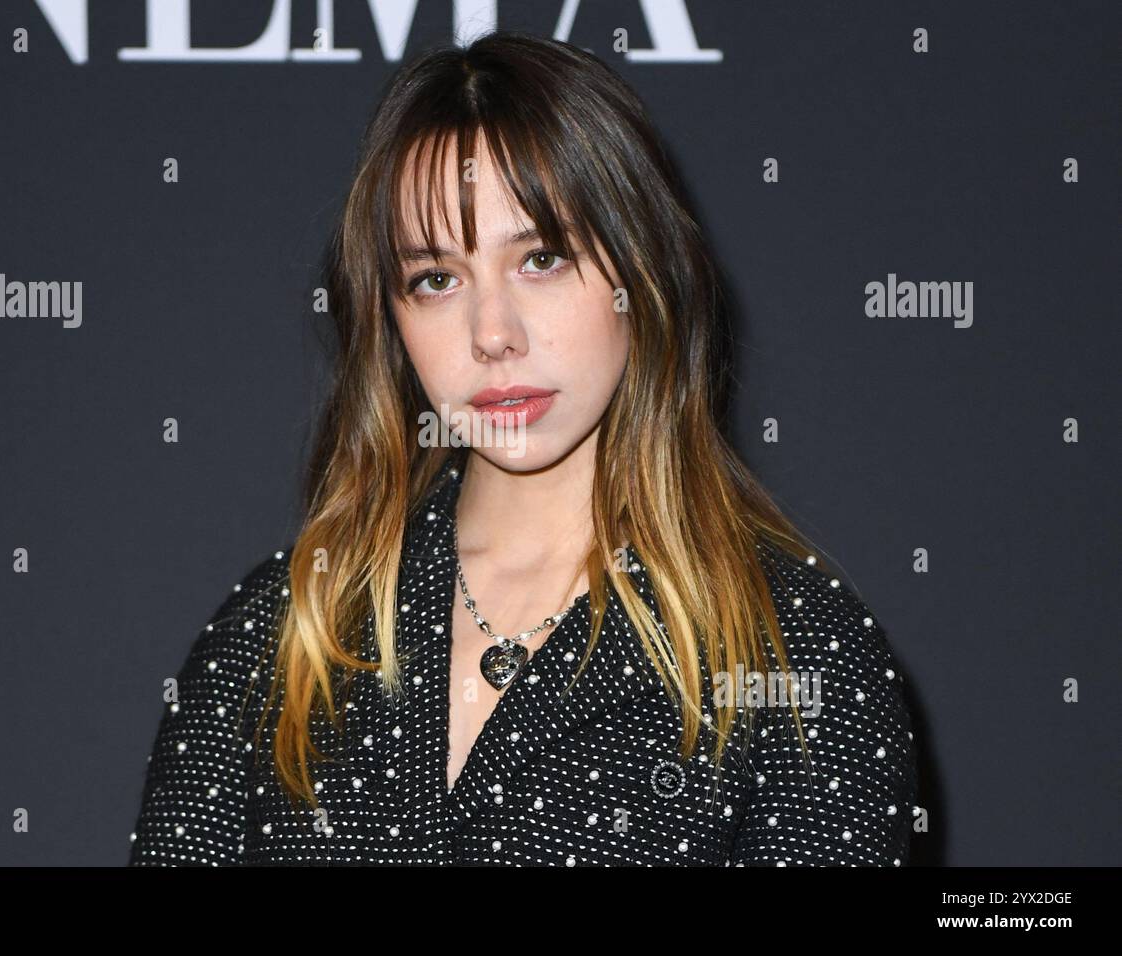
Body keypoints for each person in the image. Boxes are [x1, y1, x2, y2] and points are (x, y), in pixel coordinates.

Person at [128, 30, 919, 866]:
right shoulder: (278, 637)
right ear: (392, 321)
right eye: (436, 279)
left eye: (541, 258)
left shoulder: (792, 656)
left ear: (641, 272)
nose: (492, 334)